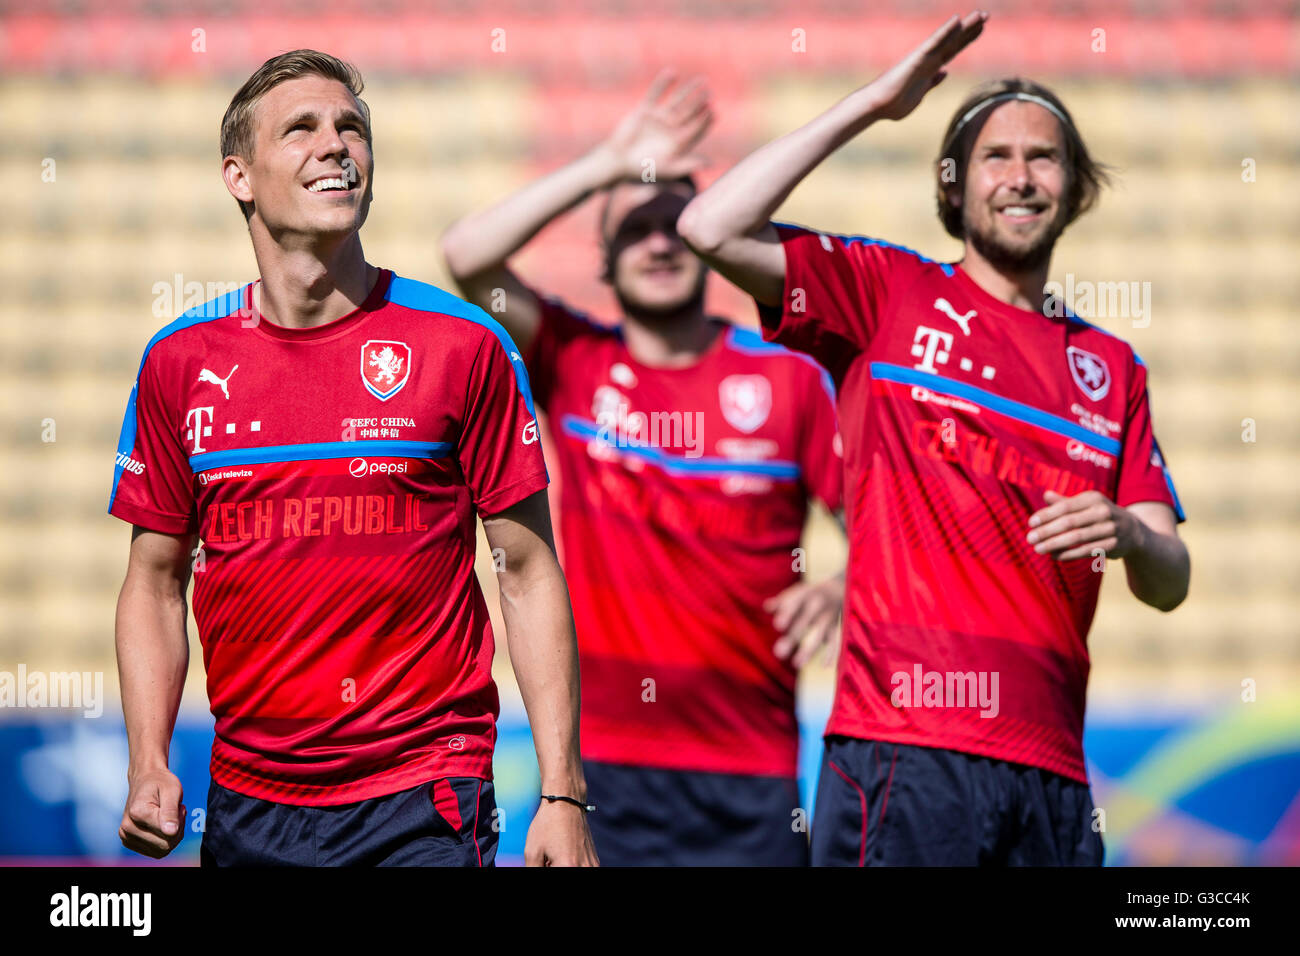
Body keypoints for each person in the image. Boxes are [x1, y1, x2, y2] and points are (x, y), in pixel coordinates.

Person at [676, 11, 1190, 865]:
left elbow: (1168, 583)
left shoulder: (1113, 367)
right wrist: (874, 105)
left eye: (1043, 157)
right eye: (996, 156)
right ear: (953, 186)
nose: (1020, 178)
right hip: (902, 755)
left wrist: (1133, 532)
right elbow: (709, 228)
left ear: (1074, 187)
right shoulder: (888, 294)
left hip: (1053, 775)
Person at [109, 49, 596, 866]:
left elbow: (526, 569)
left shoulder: (464, 344)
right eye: (301, 128)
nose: (337, 146)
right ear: (239, 176)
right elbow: (155, 580)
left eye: (352, 129)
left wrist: (561, 792)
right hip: (251, 801)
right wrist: (148, 760)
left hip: (426, 794)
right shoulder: (179, 362)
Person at [441, 72, 846, 865]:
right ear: (602, 258)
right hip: (600, 774)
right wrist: (611, 163)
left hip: (752, 776)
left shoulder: (789, 379)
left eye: (676, 225)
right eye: (635, 229)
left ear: (706, 242)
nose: (660, 243)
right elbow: (467, 257)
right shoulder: (572, 359)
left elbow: (880, 526)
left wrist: (843, 583)